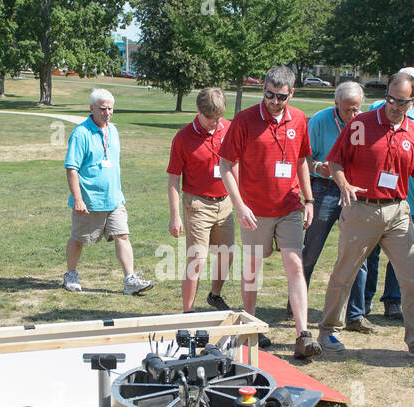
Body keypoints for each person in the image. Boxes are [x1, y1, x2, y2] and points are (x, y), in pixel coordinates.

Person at [316, 72, 414, 362]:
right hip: (361, 209)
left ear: (413, 99)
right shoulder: (361, 124)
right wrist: (343, 184)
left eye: (401, 101)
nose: (393, 105)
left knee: (412, 277)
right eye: (390, 98)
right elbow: (336, 159)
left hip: (398, 212)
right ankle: (328, 329)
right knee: (345, 272)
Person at [219, 65, 319, 358]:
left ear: (291, 93)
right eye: (270, 95)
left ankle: (303, 334)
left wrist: (309, 199)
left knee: (294, 264)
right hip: (255, 210)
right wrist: (239, 206)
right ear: (264, 89)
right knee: (252, 270)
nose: (274, 102)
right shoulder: (245, 120)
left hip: (289, 206)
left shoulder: (299, 119)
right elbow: (226, 165)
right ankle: (249, 328)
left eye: (281, 97)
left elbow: (302, 160)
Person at [297, 80, 373, 331]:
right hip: (324, 189)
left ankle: (355, 314)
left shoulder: (363, 123)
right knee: (311, 250)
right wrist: (318, 167)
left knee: (358, 254)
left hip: (352, 191)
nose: (353, 114)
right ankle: (297, 302)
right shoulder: (319, 121)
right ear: (336, 103)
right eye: (348, 109)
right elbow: (303, 156)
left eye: (357, 109)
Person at [366, 67, 414, 319]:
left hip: (408, 196)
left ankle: (393, 300)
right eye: (393, 97)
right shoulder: (377, 107)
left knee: (402, 256)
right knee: (370, 251)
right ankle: (364, 301)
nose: (395, 104)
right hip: (374, 195)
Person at [63, 88, 153, 295]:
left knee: (123, 235)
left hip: (114, 199)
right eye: (103, 109)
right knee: (79, 239)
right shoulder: (81, 133)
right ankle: (70, 274)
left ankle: (129, 280)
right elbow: (72, 168)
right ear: (92, 108)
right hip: (89, 200)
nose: (107, 113)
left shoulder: (113, 130)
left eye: (110, 109)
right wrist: (78, 199)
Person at [167, 87, 234, 311]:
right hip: (197, 204)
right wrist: (175, 217)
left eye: (219, 117)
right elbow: (174, 180)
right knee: (197, 259)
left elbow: (237, 165)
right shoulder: (183, 137)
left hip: (225, 202)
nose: (215, 122)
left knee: (227, 254)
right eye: (209, 118)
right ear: (198, 111)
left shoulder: (229, 129)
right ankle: (187, 311)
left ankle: (215, 295)